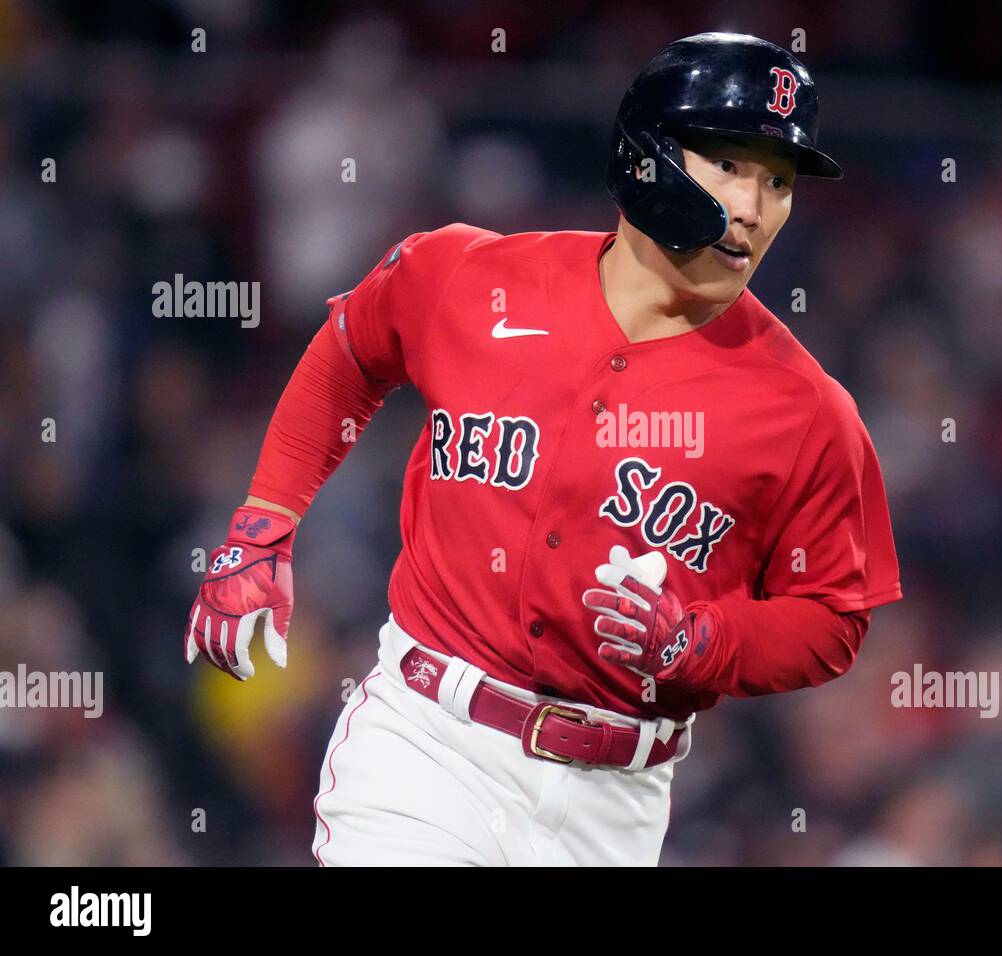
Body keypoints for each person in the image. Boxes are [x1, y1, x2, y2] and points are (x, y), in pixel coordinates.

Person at [184, 31, 902, 866]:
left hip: (616, 804)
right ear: (649, 157)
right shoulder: (470, 277)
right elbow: (352, 348)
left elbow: (832, 618)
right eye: (729, 165)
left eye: (778, 181)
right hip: (429, 748)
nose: (754, 206)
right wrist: (264, 521)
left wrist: (708, 642)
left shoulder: (808, 410)